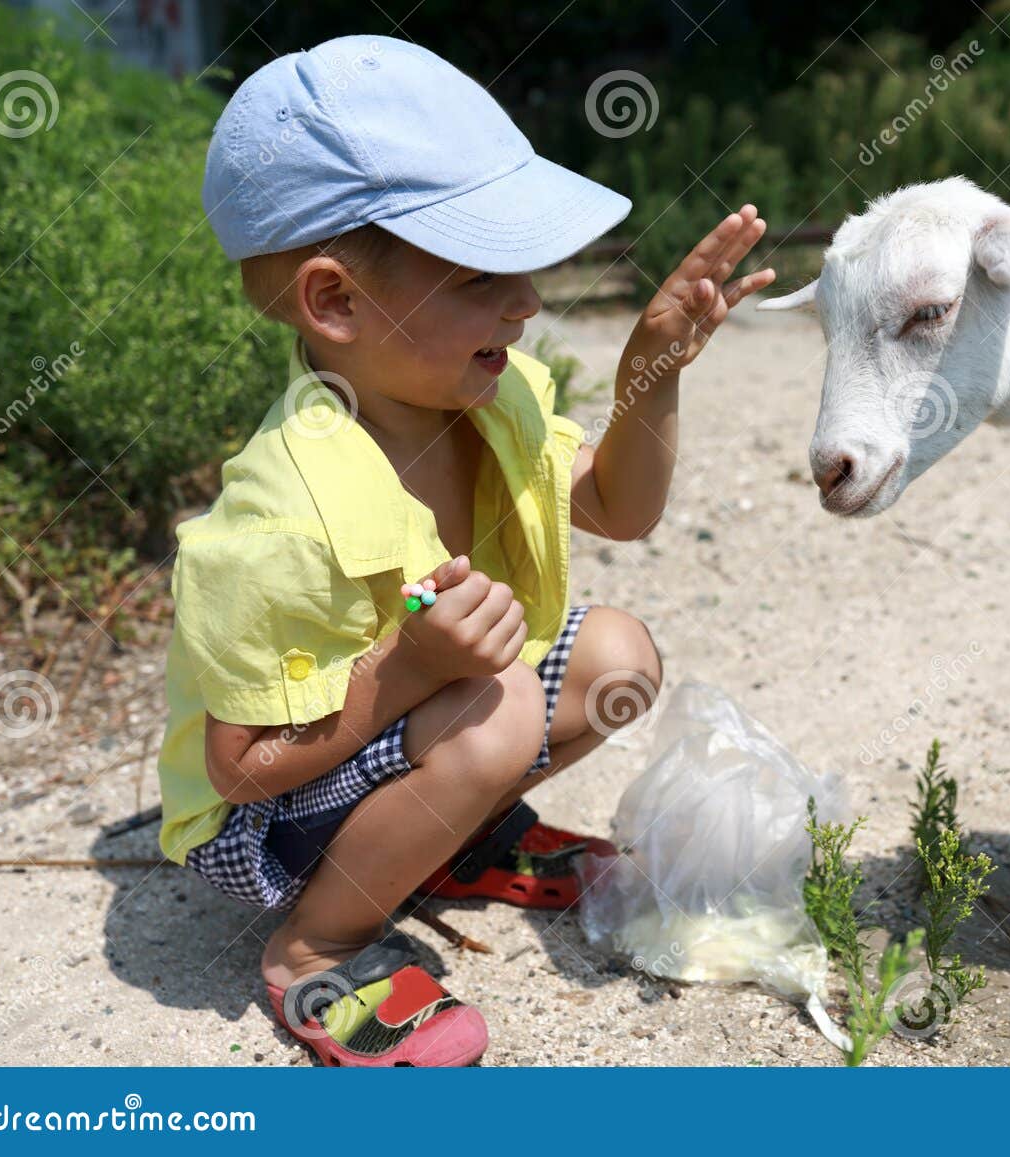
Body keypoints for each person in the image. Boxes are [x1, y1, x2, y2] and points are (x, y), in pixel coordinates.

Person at [154, 34, 774, 1067]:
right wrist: (409, 669)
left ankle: (443, 838)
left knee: (613, 653)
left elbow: (619, 508)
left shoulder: (491, 398)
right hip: (264, 820)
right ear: (335, 301)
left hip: (403, 728)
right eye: (482, 274)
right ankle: (316, 942)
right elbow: (243, 769)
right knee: (500, 707)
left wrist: (653, 369)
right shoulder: (278, 520)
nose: (525, 303)